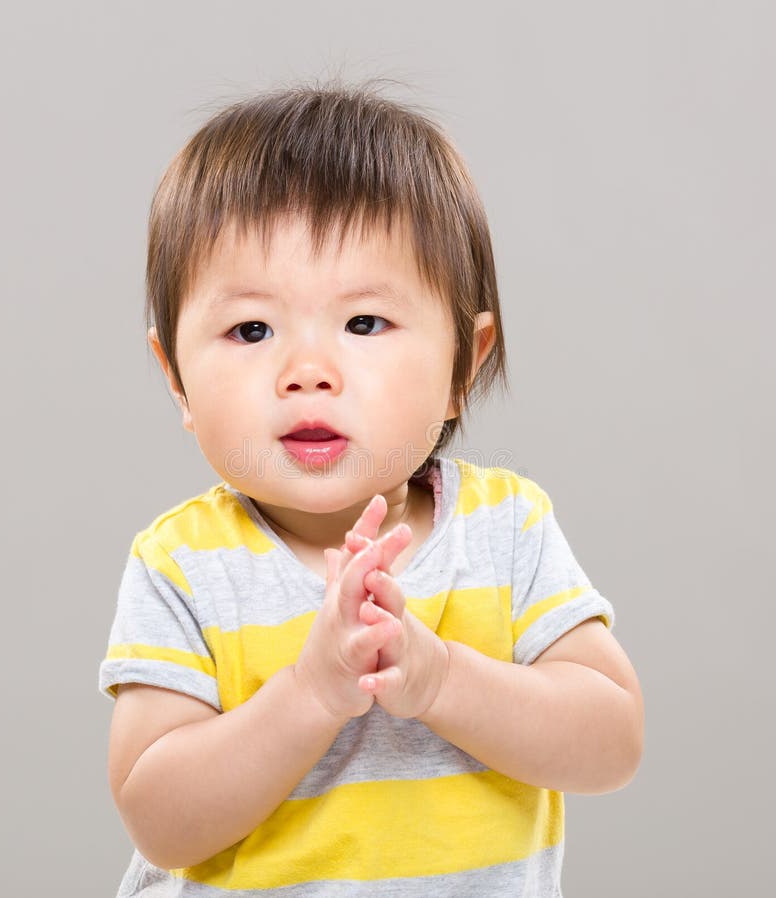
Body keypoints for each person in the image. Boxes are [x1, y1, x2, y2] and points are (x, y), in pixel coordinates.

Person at [99, 79, 644, 897]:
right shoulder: (185, 565)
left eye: (364, 324)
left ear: (466, 362)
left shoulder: (505, 531)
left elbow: (610, 744)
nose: (307, 373)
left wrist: (441, 679)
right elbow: (161, 819)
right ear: (175, 378)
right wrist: (310, 695)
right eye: (252, 329)